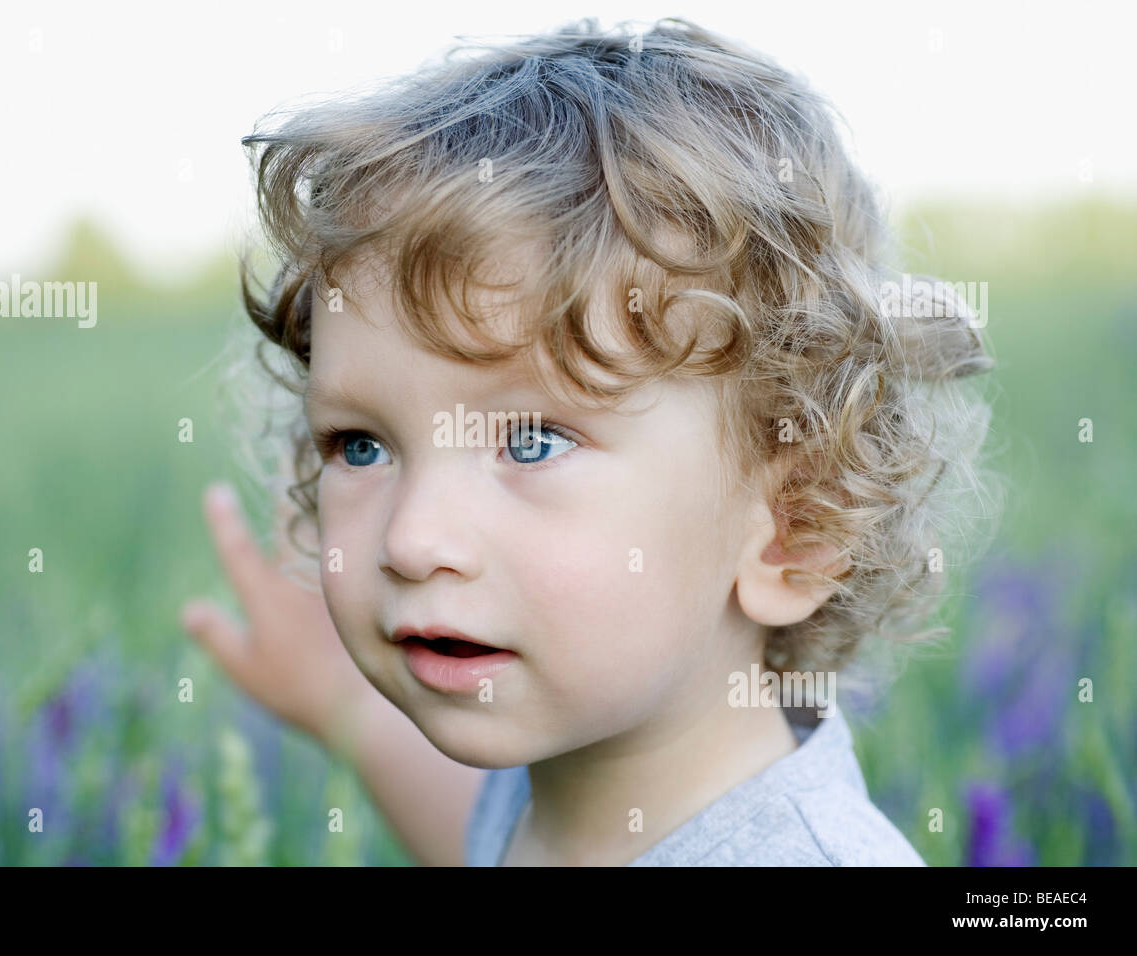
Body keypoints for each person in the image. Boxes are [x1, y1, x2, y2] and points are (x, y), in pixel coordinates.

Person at [181, 16, 993, 866]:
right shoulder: (572, 785)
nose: (411, 540)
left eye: (531, 443)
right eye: (361, 446)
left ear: (796, 528)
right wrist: (345, 705)